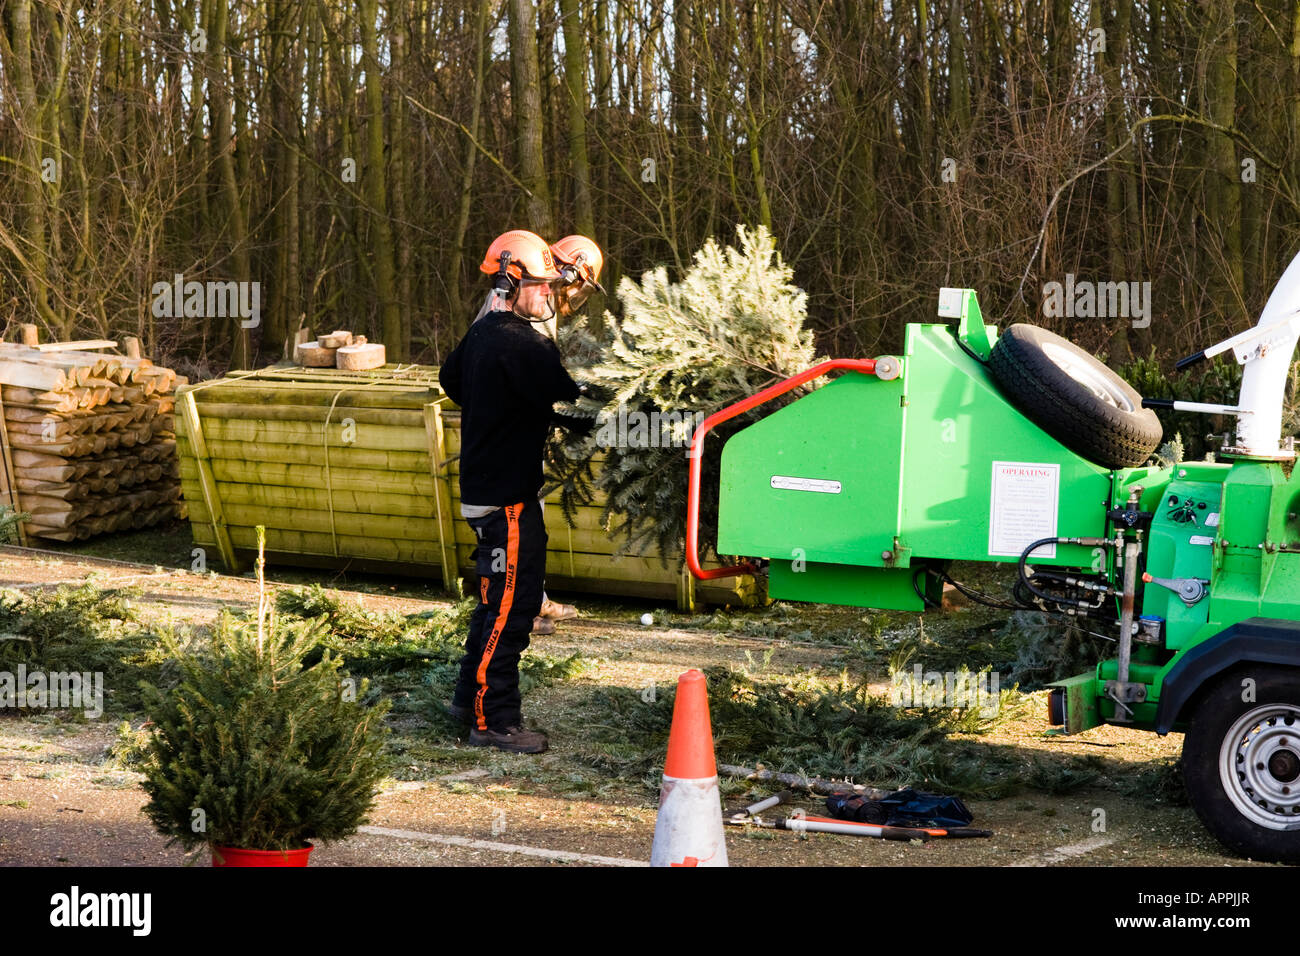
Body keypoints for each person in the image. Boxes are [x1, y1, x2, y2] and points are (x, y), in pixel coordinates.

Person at [438, 230, 590, 754]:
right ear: (512, 280)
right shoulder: (523, 344)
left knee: (492, 603)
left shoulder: (482, 336)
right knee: (512, 607)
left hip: (483, 492)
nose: (550, 294)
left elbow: (450, 379)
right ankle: (494, 721)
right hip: (507, 501)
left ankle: (466, 698)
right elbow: (578, 410)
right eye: (542, 285)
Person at [531, 235, 609, 632]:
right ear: (572, 272)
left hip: (525, 427)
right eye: (582, 288)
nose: (578, 298)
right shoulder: (534, 304)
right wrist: (577, 401)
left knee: (532, 523)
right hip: (513, 435)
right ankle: (521, 611)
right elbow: (537, 376)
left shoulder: (540, 299)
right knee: (521, 525)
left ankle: (535, 601)